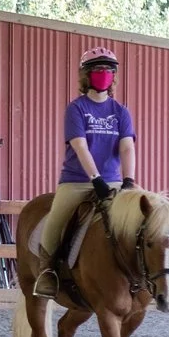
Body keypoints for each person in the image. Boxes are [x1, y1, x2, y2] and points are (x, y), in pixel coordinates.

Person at [29, 46, 137, 298]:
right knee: (56, 218)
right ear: (86, 75)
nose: (103, 73)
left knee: (142, 217)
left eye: (108, 70)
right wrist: (95, 178)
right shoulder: (76, 108)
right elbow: (79, 145)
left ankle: (141, 273)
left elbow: (127, 147)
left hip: (114, 181)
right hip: (77, 181)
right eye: (97, 69)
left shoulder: (121, 111)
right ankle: (47, 271)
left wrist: (129, 181)